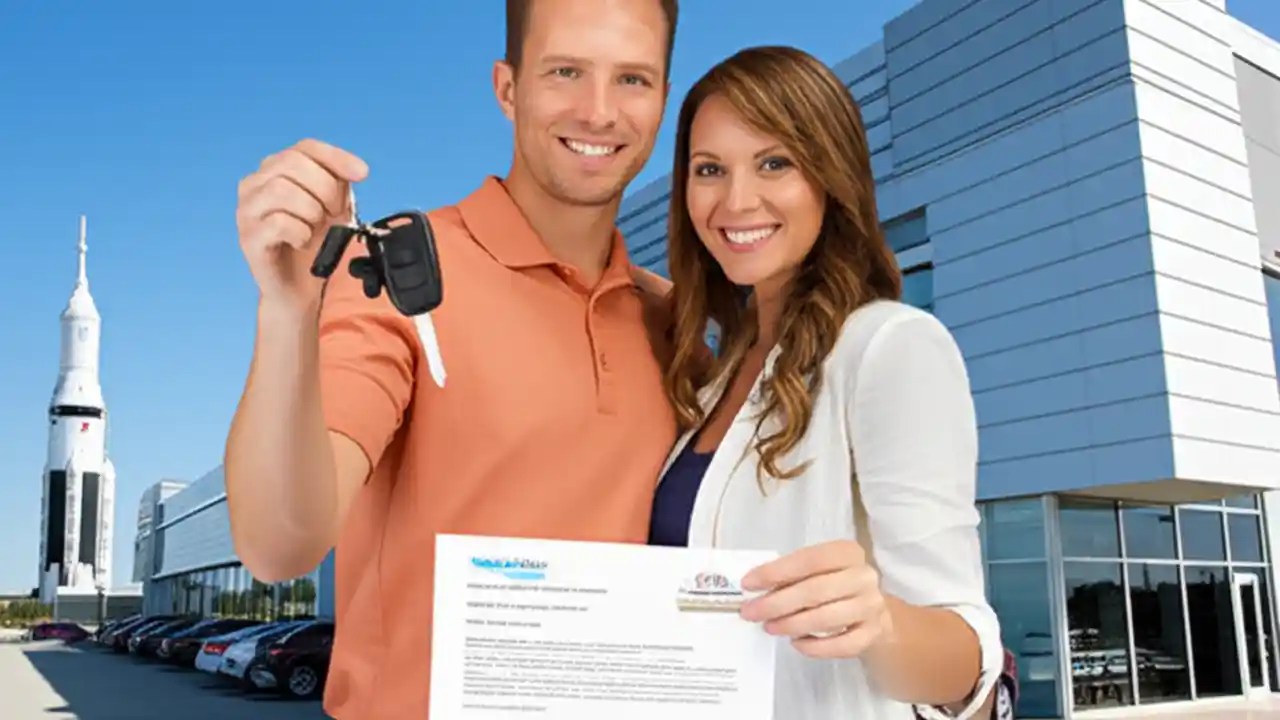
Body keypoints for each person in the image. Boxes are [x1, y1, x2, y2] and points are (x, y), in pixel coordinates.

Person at [224, 0, 680, 716]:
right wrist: (286, 311)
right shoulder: (402, 278)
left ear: (661, 101)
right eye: (565, 71)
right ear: (508, 88)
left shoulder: (672, 320)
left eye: (633, 79)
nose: (599, 112)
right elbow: (281, 545)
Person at [649, 46, 1007, 718]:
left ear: (830, 176)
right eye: (709, 170)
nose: (736, 200)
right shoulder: (710, 383)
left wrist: (881, 623)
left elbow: (968, 668)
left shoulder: (889, 348)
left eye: (774, 163)